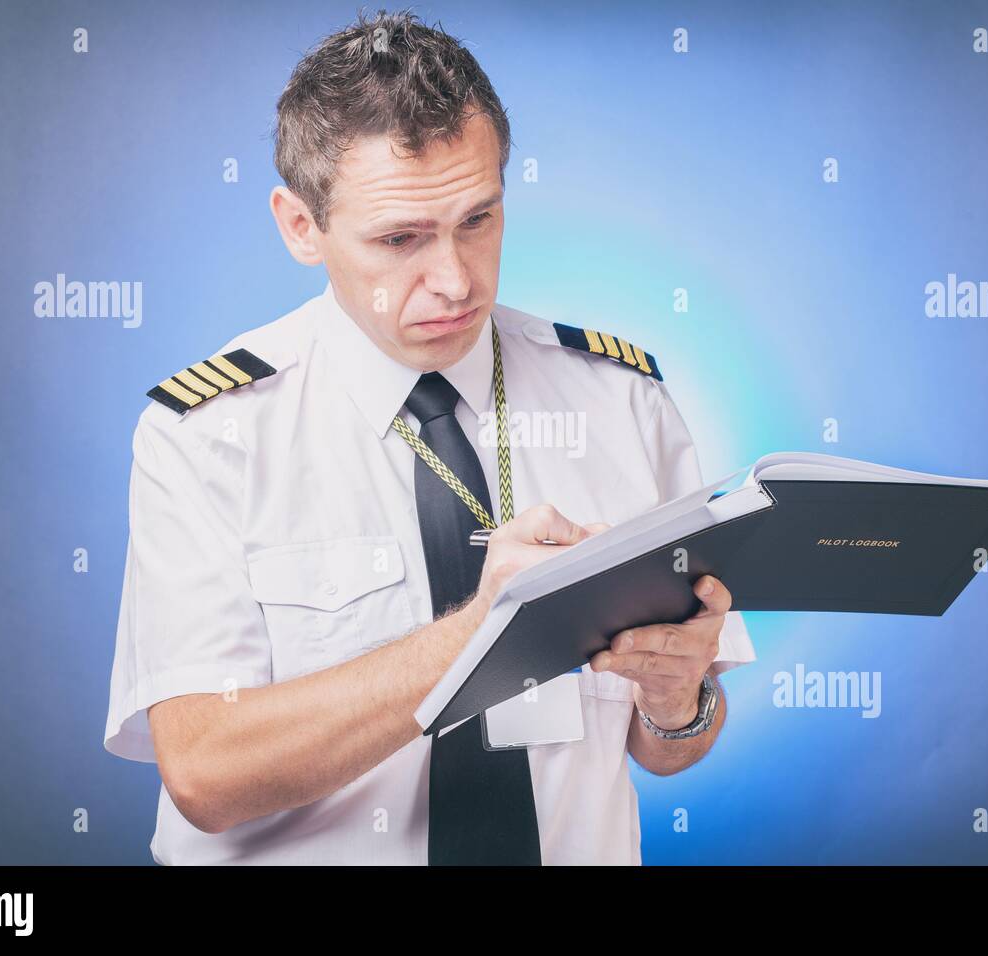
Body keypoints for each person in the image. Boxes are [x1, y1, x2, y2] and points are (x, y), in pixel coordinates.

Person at [103, 9, 755, 865]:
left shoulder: (623, 400)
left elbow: (670, 749)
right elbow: (205, 773)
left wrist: (680, 704)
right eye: (400, 238)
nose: (454, 280)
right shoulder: (207, 433)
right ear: (301, 227)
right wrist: (484, 629)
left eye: (477, 220)